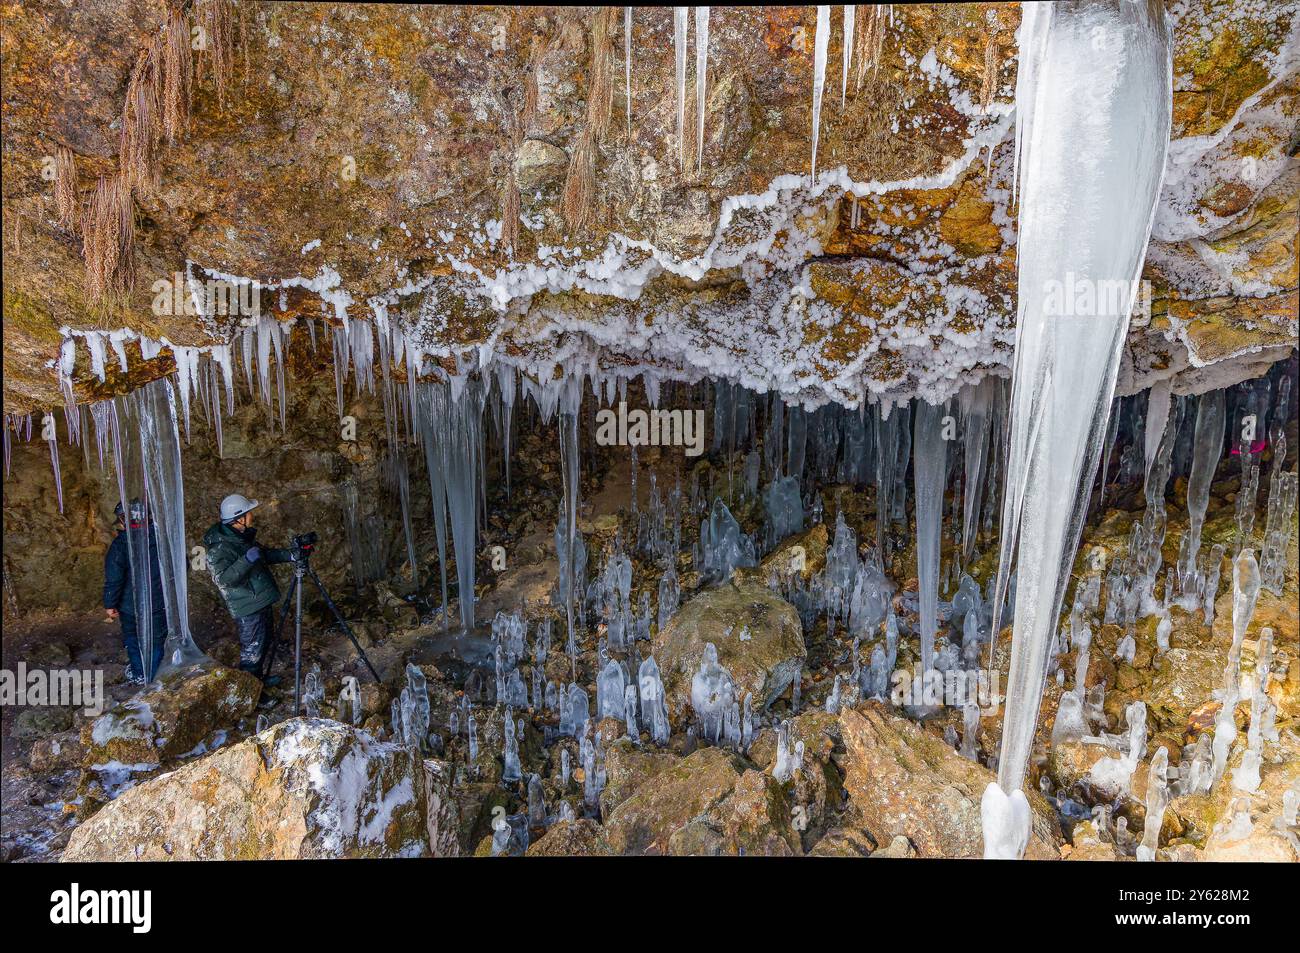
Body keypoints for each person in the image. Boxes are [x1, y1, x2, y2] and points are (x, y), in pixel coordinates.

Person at [203, 493, 293, 681]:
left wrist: (291, 555)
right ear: (238, 519)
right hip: (247, 607)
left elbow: (263, 555)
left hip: (258, 600)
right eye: (248, 513)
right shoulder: (218, 548)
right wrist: (246, 560)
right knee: (252, 652)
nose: (252, 516)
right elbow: (224, 579)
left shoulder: (240, 536)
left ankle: (258, 682)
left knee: (263, 642)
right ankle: (250, 694)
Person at [103, 499, 169, 684]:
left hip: (129, 605)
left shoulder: (120, 545)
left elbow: (114, 577)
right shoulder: (163, 539)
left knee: (133, 638)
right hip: (158, 603)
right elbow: (183, 565)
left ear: (125, 520)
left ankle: (140, 674)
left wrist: (110, 603)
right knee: (156, 641)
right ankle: (155, 676)